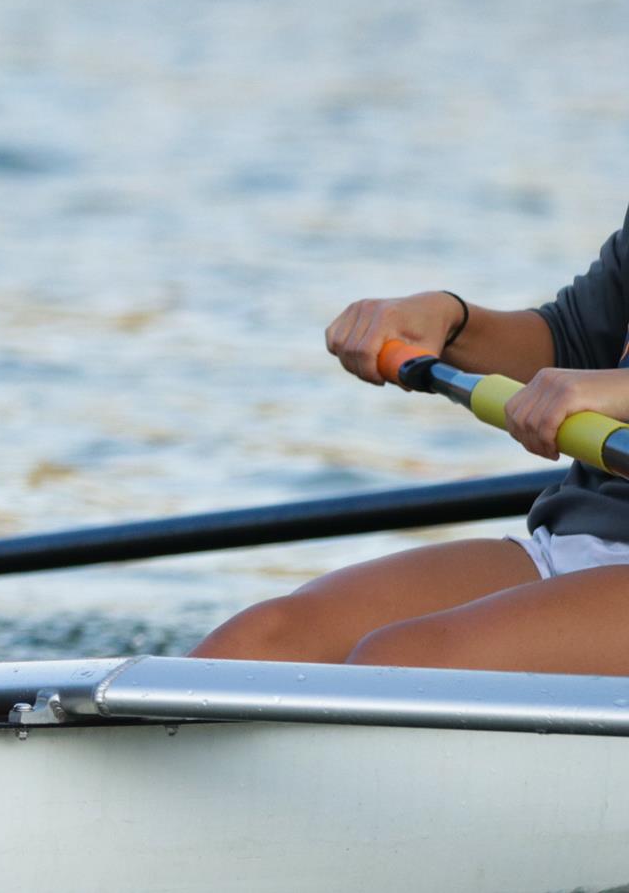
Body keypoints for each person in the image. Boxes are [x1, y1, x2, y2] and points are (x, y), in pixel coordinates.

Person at [192, 207, 629, 672]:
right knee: (256, 643)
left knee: (398, 663)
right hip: (585, 530)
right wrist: (453, 322)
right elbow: (574, 343)